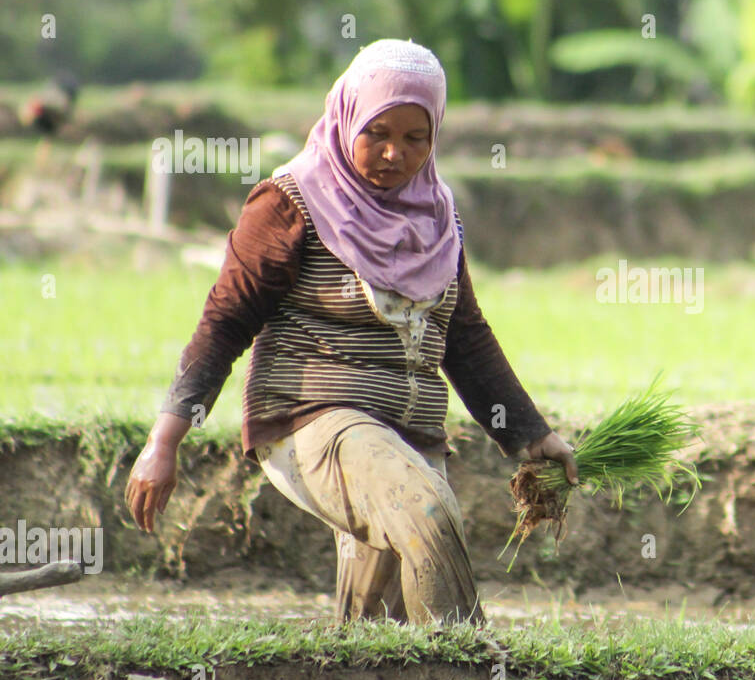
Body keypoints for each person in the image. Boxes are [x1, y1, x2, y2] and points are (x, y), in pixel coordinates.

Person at [124, 38, 577, 626]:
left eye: (416, 139)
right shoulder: (292, 201)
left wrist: (530, 435)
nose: (394, 154)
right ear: (346, 118)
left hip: (410, 436)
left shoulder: (439, 218)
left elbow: (462, 334)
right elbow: (225, 319)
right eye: (377, 133)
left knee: (374, 626)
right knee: (429, 513)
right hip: (315, 419)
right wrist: (165, 440)